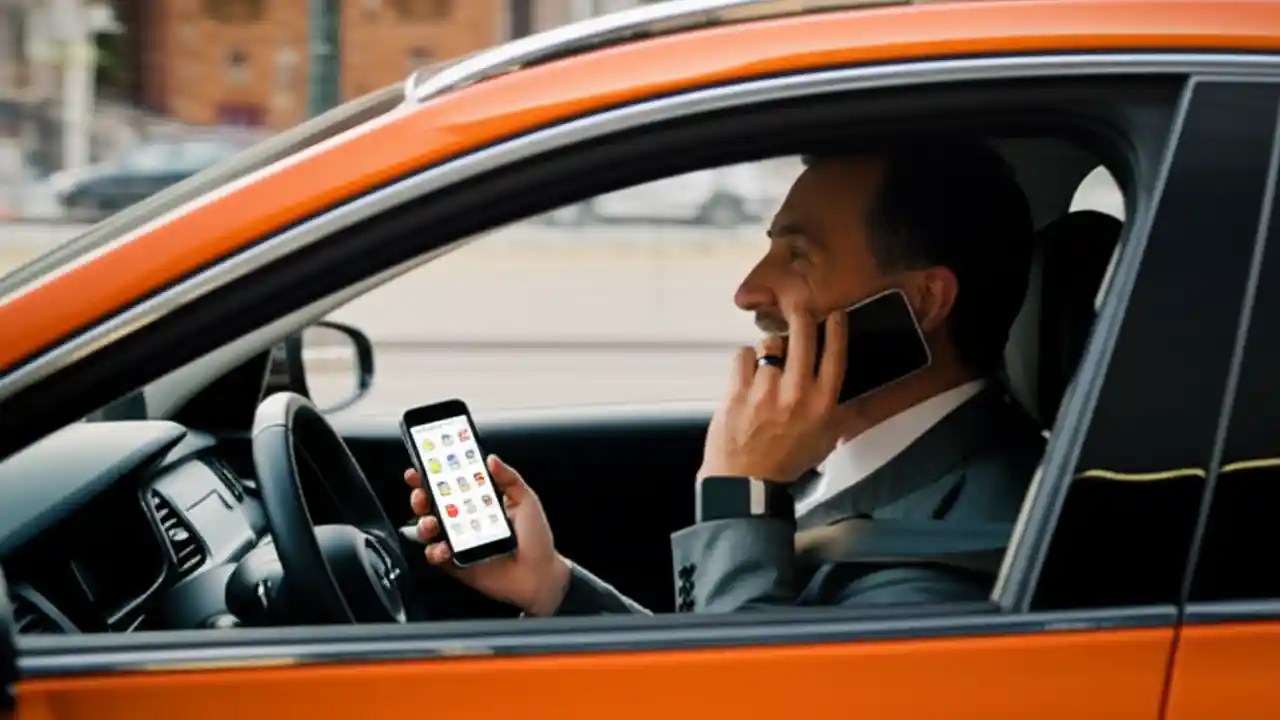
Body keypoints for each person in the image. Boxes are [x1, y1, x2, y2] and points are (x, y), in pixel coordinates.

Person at [404, 137, 1044, 615]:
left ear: (923, 301)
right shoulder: (859, 458)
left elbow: (740, 700)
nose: (746, 291)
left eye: (799, 255)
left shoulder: (959, 556)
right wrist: (551, 586)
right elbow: (719, 665)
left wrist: (741, 492)